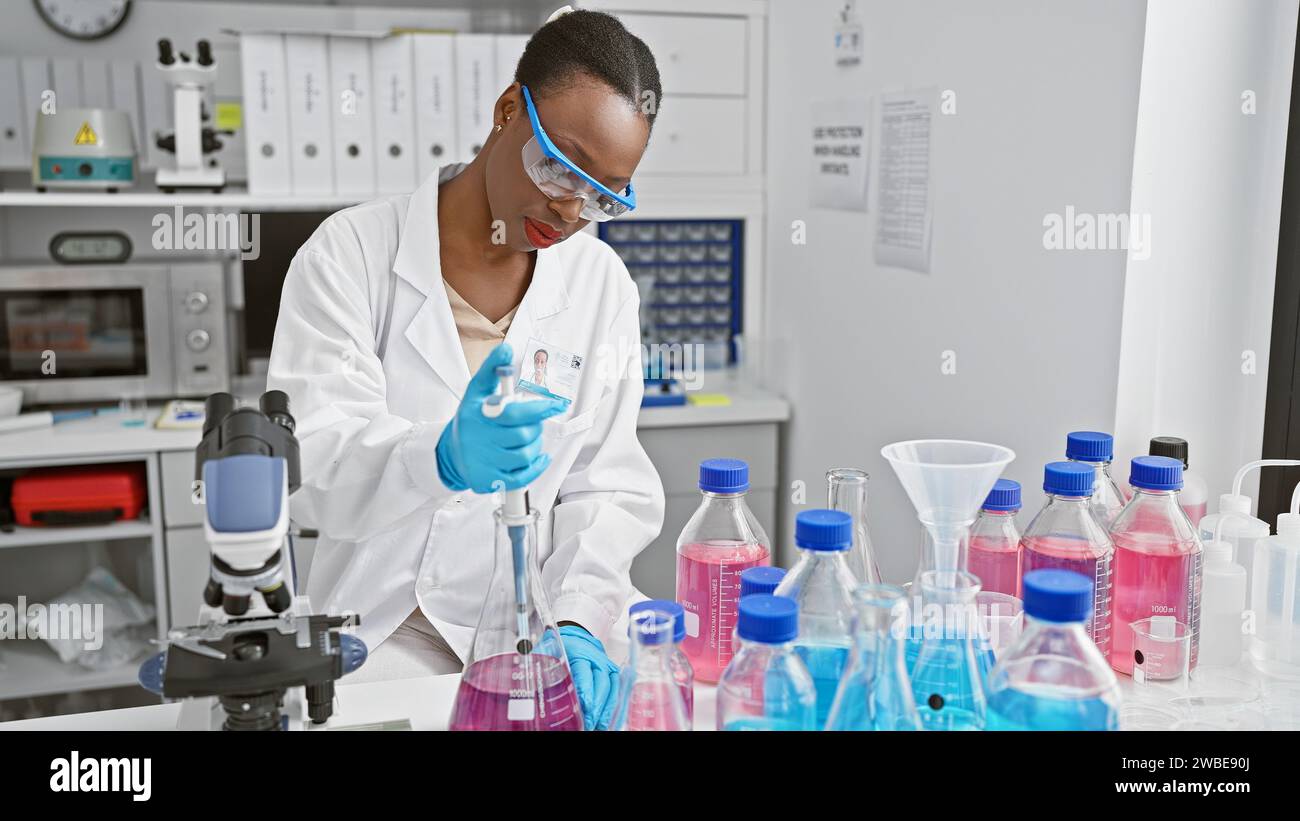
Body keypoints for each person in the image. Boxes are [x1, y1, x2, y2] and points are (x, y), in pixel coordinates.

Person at [266, 8, 665, 730]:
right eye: (557, 165)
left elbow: (605, 486)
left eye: (601, 194)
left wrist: (576, 621)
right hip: (378, 632)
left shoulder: (602, 284)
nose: (569, 207)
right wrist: (441, 457)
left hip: (531, 633)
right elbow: (309, 468)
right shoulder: (349, 253)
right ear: (509, 109)